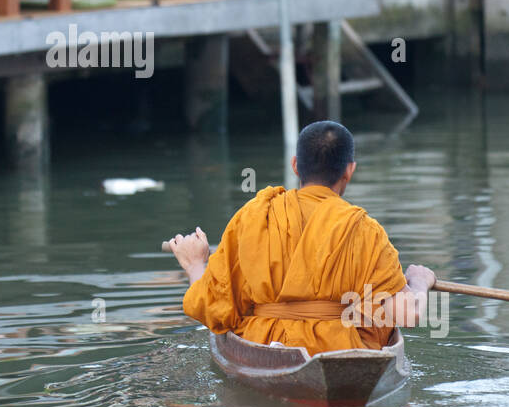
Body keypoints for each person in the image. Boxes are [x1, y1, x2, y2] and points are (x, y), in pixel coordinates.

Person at [163, 120, 437, 356]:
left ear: (295, 166)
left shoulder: (254, 217)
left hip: (264, 345)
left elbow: (212, 307)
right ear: (350, 170)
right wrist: (419, 283)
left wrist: (195, 264)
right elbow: (406, 315)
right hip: (342, 349)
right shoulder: (366, 230)